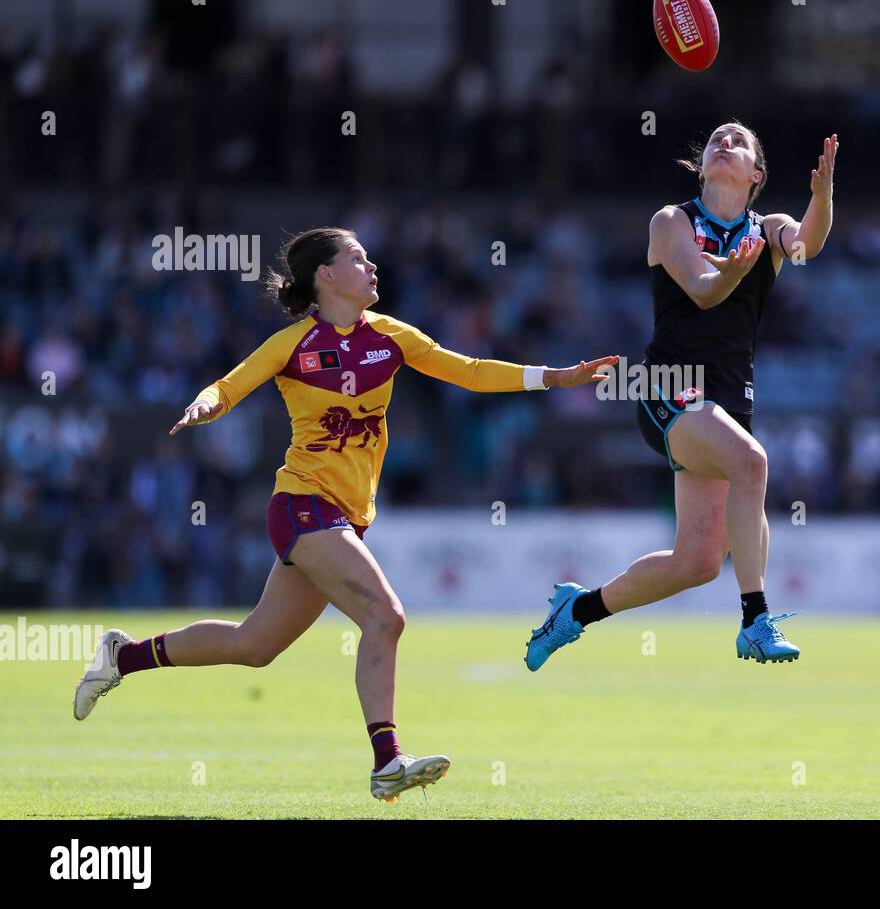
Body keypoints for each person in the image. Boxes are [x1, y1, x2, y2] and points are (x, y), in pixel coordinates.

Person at [73, 227, 616, 801]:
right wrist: (205, 405)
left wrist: (554, 377)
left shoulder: (392, 336)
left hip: (346, 518)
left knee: (253, 646)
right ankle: (387, 760)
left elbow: (472, 371)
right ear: (325, 277)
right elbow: (230, 386)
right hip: (303, 505)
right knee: (386, 617)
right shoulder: (293, 344)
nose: (372, 265)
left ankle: (122, 656)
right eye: (357, 258)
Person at [524, 121, 837, 670]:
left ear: (756, 175)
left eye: (739, 142)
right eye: (718, 138)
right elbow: (701, 289)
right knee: (751, 461)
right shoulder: (672, 222)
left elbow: (808, 243)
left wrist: (822, 196)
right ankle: (755, 618)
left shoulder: (770, 227)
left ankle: (576, 610)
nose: (725, 143)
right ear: (702, 165)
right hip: (669, 385)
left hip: (726, 400)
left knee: (696, 562)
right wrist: (734, 272)